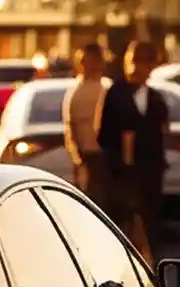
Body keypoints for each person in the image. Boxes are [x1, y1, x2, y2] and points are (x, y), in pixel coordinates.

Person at [97, 41, 169, 265]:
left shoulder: (156, 98)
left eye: (144, 63)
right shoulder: (116, 94)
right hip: (122, 174)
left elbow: (162, 134)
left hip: (150, 174)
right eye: (134, 61)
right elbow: (103, 134)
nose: (138, 68)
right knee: (122, 226)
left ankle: (152, 272)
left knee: (150, 225)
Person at [65, 43, 109, 210]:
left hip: (107, 156)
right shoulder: (76, 92)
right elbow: (71, 128)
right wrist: (78, 160)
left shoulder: (107, 89)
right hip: (87, 157)